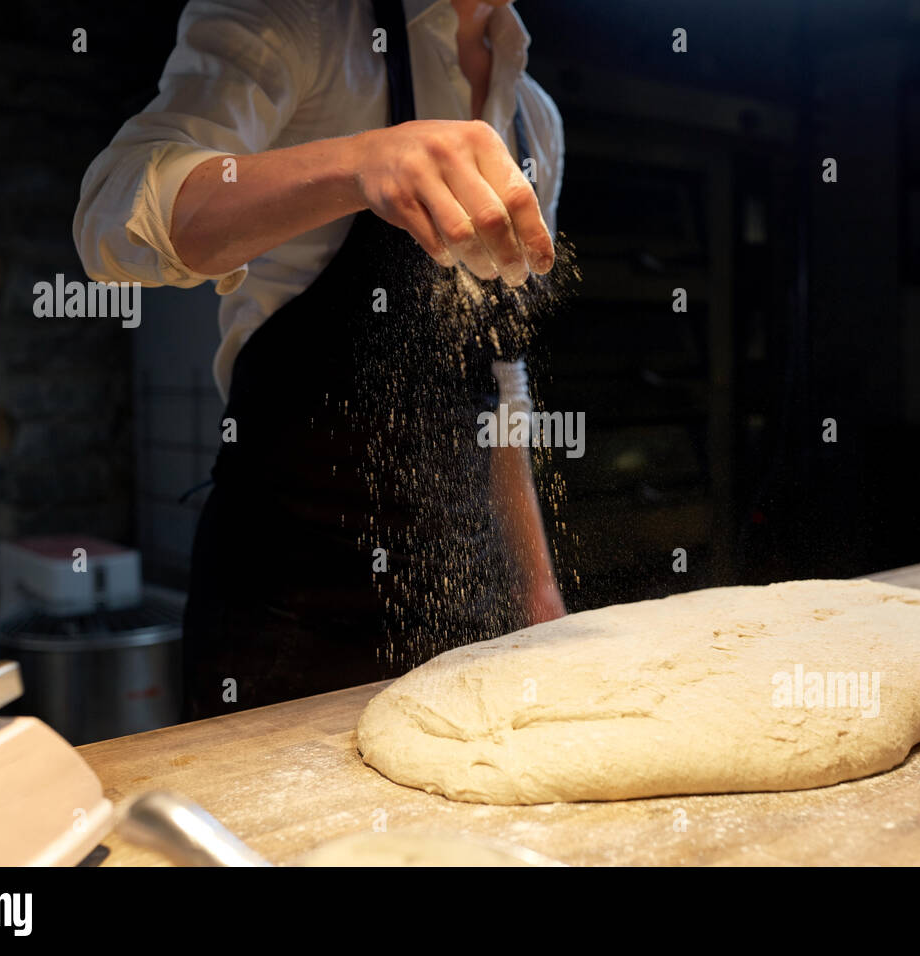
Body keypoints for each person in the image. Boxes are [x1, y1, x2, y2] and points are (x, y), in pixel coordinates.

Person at [73, 0, 568, 719]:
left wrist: (537, 590)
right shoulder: (302, 20)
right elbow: (110, 220)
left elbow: (503, 379)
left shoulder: (535, 118)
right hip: (287, 600)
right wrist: (360, 162)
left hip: (459, 600)